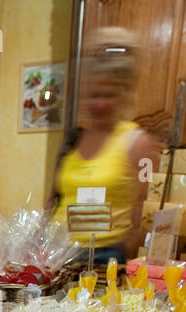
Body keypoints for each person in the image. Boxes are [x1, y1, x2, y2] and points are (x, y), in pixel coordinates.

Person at [48, 28, 162, 264]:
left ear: (124, 95)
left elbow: (147, 213)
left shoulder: (139, 144)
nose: (98, 104)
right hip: (57, 254)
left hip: (104, 258)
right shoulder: (73, 139)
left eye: (107, 95)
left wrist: (121, 257)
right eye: (92, 94)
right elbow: (53, 199)